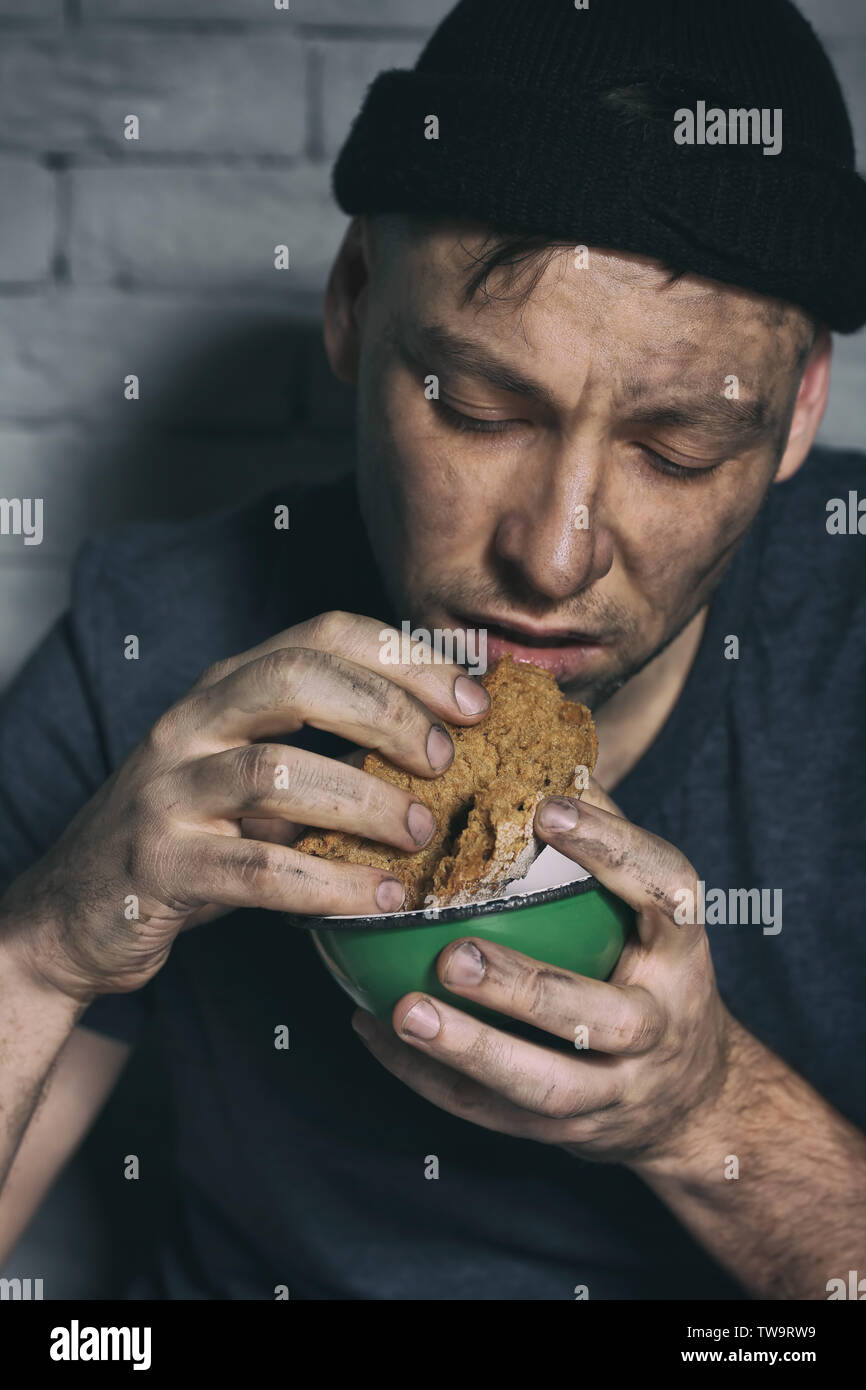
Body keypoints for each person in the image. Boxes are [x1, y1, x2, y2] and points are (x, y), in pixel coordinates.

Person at [1, 0, 864, 1301]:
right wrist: (44, 945)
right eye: (478, 407)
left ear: (797, 409)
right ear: (352, 303)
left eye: (676, 446)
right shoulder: (149, 646)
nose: (555, 552)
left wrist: (705, 1116)